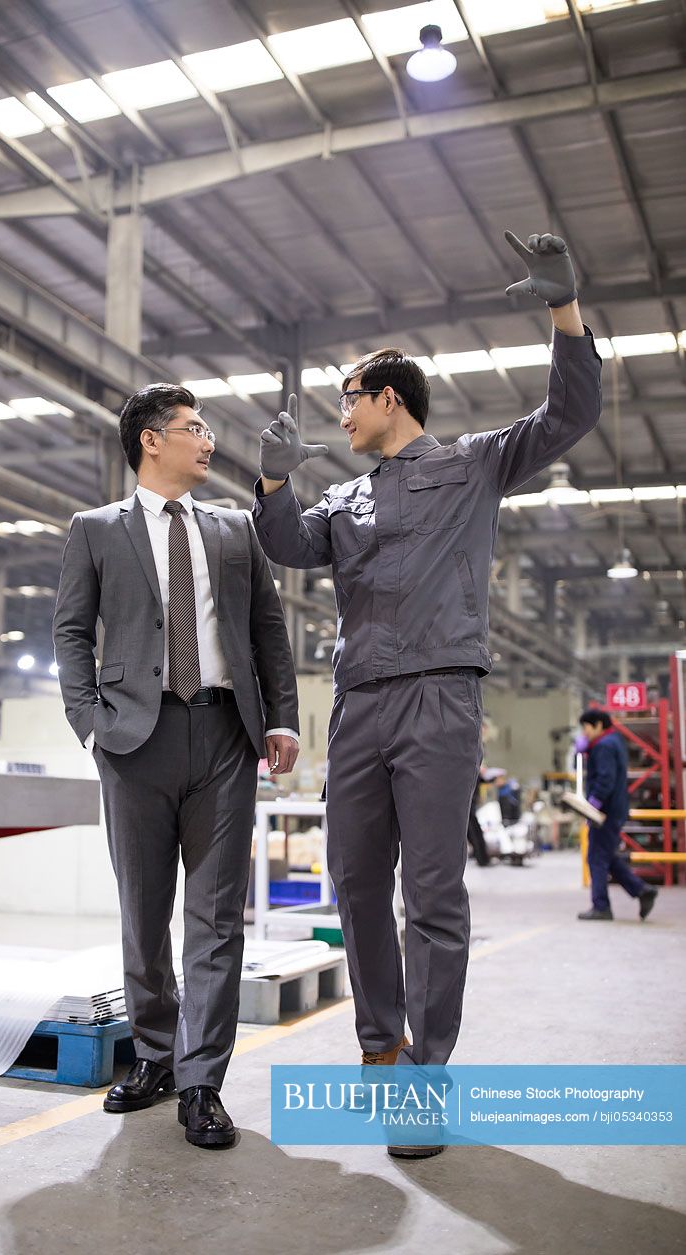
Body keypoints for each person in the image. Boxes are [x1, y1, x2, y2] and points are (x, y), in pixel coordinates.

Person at [252, 231, 601, 1159]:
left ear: (387, 399)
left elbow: (566, 414)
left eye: (347, 398)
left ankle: (426, 1074)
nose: (340, 412)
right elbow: (287, 545)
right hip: (360, 705)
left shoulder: (475, 463)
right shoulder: (347, 502)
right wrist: (276, 481)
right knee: (358, 882)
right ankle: (380, 1044)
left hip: (441, 700)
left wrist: (563, 311)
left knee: (433, 894)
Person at [53, 383, 299, 1149]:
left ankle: (201, 1082)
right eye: (193, 427)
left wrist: (282, 717)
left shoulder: (236, 529)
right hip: (133, 741)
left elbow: (267, 630)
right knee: (144, 911)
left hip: (225, 736)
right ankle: (154, 1057)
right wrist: (91, 725)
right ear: (150, 440)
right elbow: (69, 632)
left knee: (216, 918)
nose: (209, 440)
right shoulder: (95, 529)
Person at [576, 708, 657, 922]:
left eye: (586, 728)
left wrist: (593, 805)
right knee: (607, 856)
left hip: (605, 812)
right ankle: (642, 891)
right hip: (615, 809)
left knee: (596, 857)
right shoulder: (614, 741)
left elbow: (605, 779)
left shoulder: (603, 746)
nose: (584, 733)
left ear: (598, 726)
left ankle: (601, 907)